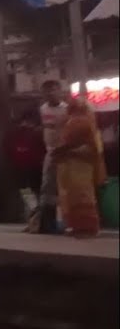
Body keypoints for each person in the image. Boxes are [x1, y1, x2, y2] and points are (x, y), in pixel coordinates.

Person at [51, 99, 105, 238]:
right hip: (73, 163)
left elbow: (88, 145)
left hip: (79, 164)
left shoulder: (82, 123)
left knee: (81, 195)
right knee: (76, 196)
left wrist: (65, 151)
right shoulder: (77, 122)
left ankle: (86, 227)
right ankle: (79, 227)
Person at [35, 80, 70, 234]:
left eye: (54, 90)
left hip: (67, 153)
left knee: (67, 187)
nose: (51, 93)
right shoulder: (42, 109)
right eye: (48, 91)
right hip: (50, 152)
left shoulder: (68, 109)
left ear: (60, 91)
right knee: (47, 187)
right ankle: (47, 223)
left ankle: (69, 222)